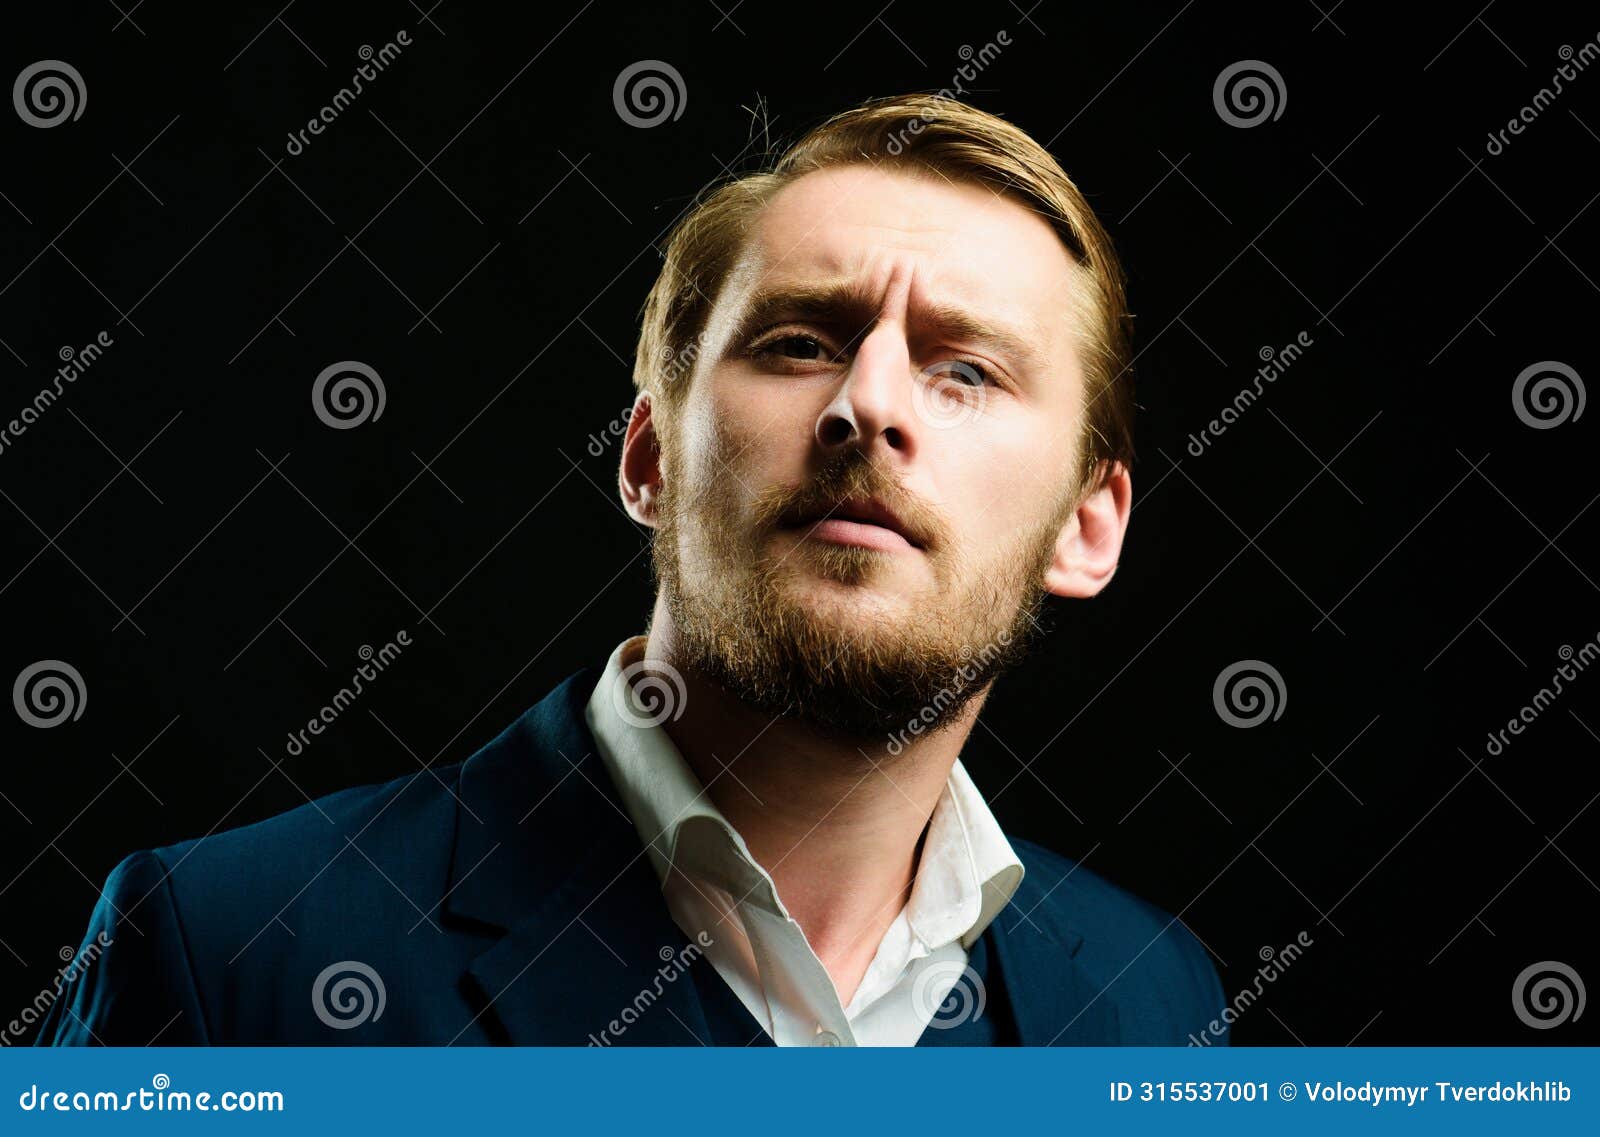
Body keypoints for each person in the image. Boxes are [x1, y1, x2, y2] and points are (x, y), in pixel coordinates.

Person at [37, 93, 1224, 1047]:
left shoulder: (1153, 1005)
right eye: (799, 342)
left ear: (1087, 528)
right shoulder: (235, 951)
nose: (868, 403)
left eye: (964, 370)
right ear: (651, 456)